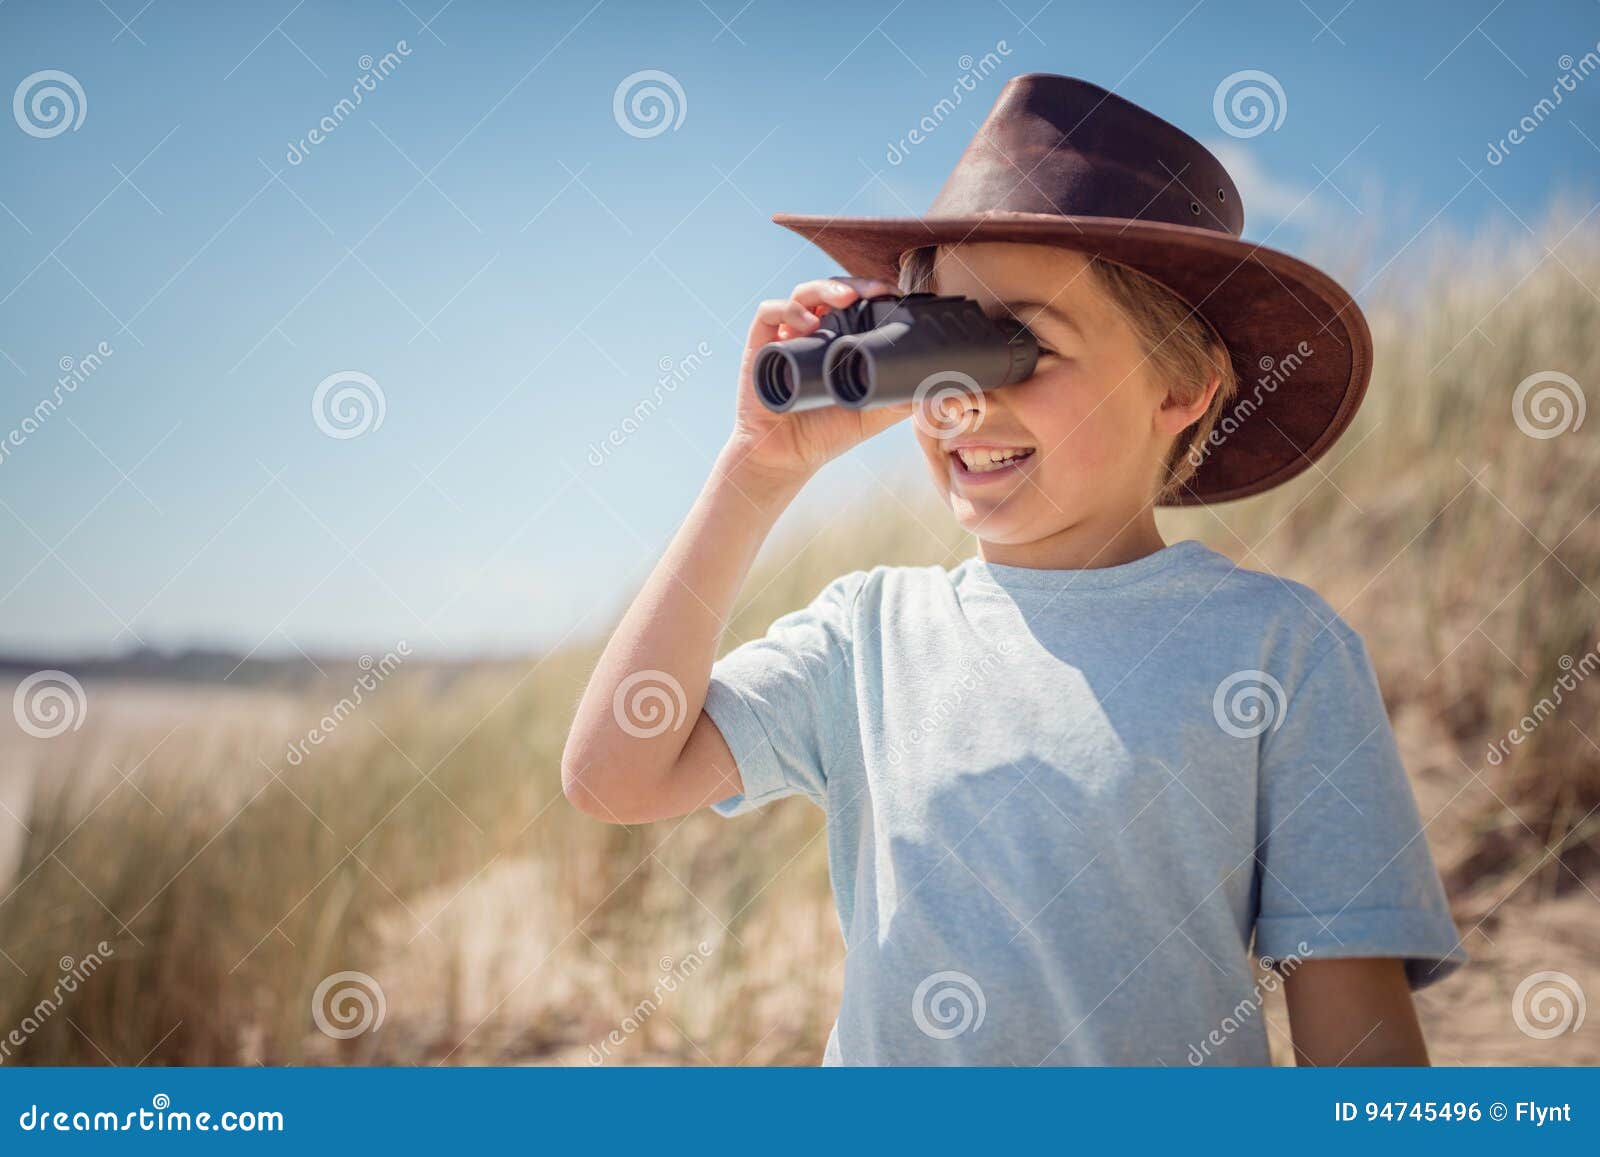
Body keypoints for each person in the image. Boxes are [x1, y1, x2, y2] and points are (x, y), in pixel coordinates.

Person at [562, 74, 1466, 1066]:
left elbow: (1355, 1027)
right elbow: (615, 773)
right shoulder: (870, 629)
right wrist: (753, 470)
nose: (957, 395)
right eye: (928, 339)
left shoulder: (1278, 647)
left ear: (1181, 384)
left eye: (1013, 344)